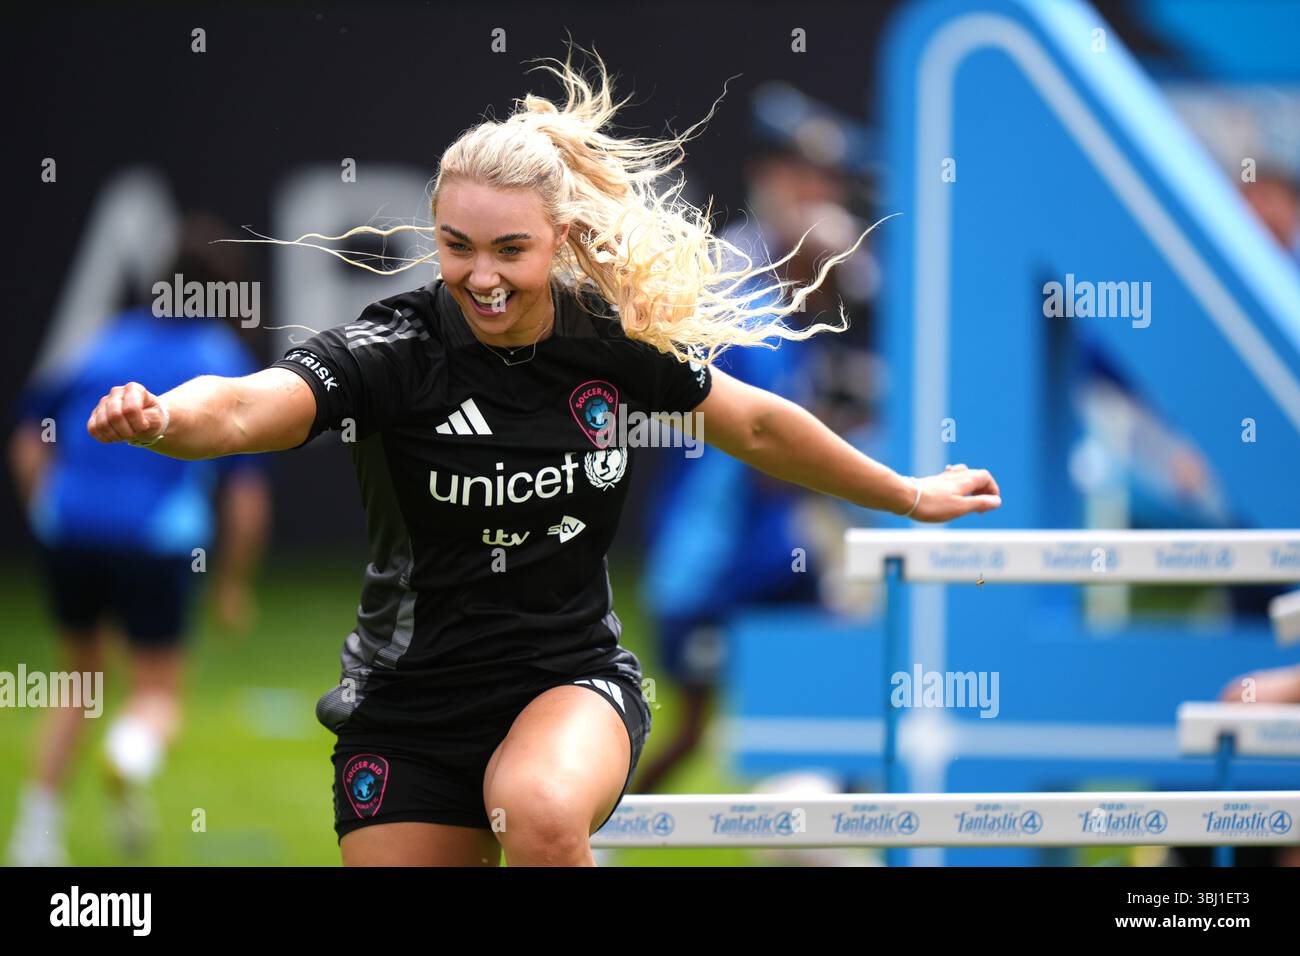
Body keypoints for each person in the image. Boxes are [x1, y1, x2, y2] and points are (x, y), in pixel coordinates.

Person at [83, 45, 1000, 867]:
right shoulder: (394, 351)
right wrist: (163, 417)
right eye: (457, 246)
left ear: (559, 240)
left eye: (510, 249)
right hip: (405, 711)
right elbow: (247, 406)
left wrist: (908, 495)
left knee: (537, 811)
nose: (482, 276)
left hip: (567, 683)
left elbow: (757, 424)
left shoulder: (610, 343)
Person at [6, 213, 271, 865]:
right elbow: (246, 498)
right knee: (155, 694)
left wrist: (46, 511)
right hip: (156, 542)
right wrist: (234, 584)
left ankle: (34, 837)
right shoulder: (220, 361)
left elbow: (27, 435)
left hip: (71, 534)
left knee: (81, 682)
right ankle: (131, 751)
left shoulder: (106, 341)